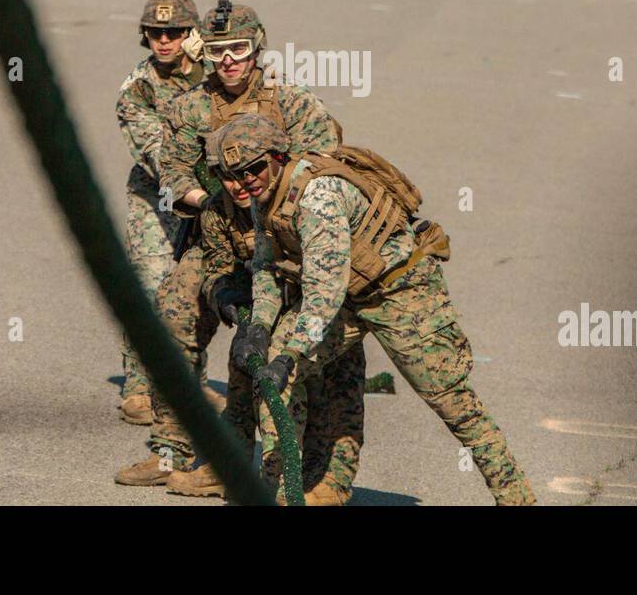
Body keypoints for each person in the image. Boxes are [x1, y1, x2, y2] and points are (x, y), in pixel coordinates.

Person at [214, 114, 536, 505]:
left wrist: (291, 353)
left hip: (400, 292)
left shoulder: (317, 198)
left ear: (278, 158)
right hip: (347, 296)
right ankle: (282, 490)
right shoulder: (262, 198)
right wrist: (261, 328)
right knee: (274, 381)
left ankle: (517, 498)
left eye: (252, 169)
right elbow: (265, 267)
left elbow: (322, 293)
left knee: (452, 402)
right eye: (231, 175)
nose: (242, 182)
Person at [115, 1, 359, 496]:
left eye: (239, 50)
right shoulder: (190, 107)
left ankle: (283, 470)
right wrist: (211, 202)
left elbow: (329, 163)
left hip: (288, 246)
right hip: (218, 240)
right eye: (219, 50)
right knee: (174, 318)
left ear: (257, 48)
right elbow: (175, 171)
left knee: (273, 352)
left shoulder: (292, 102)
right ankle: (173, 449)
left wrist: (273, 207)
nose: (229, 62)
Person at [113, 0, 214, 424]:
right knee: (153, 286)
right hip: (159, 197)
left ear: (192, 35)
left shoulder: (214, 73)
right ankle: (139, 388)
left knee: (197, 291)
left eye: (175, 33)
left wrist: (207, 63)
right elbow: (160, 155)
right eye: (157, 33)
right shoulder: (137, 89)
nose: (165, 41)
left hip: (211, 194)